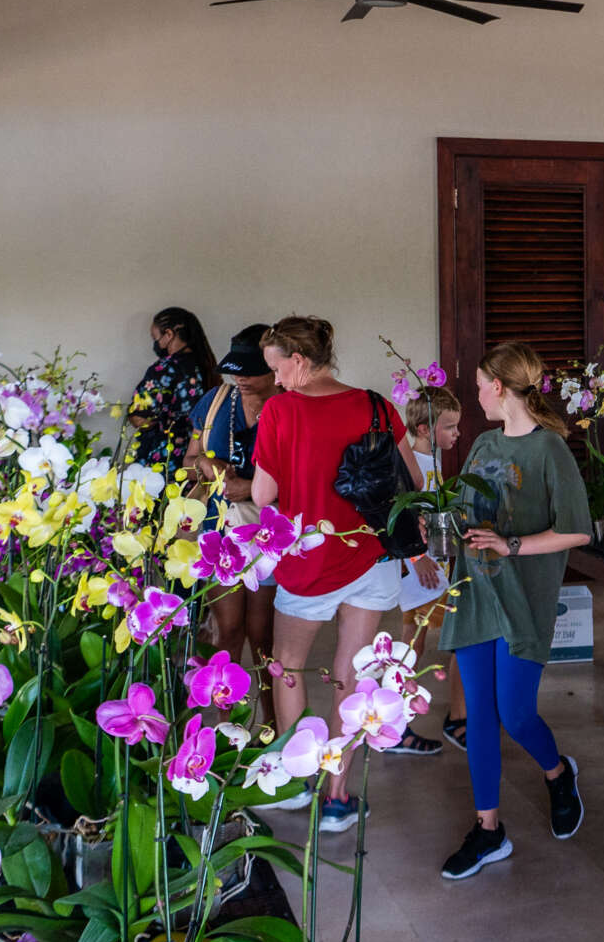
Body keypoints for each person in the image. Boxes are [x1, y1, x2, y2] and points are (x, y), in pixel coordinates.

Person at [250, 316, 419, 835]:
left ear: (298, 361)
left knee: (288, 668)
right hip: (372, 557)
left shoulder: (280, 411)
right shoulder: (376, 405)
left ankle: (298, 781)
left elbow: (262, 496)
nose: (275, 380)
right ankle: (338, 798)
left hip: (310, 559)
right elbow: (412, 479)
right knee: (351, 674)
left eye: (277, 368)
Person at [438, 343, 594, 880]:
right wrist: (438, 525)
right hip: (476, 594)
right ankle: (489, 831)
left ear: (500, 388)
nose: (477, 394)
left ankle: (557, 774)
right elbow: (466, 511)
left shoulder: (551, 451)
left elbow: (577, 529)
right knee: (479, 714)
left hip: (523, 601)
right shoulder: (482, 444)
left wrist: (512, 546)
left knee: (515, 712)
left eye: (481, 384)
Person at [383, 384, 468, 758]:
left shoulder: (431, 463)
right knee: (465, 636)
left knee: (410, 644)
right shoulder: (415, 467)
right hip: (422, 570)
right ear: (422, 429)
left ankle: (395, 725)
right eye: (449, 427)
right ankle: (459, 719)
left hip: (427, 568)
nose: (457, 434)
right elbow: (402, 517)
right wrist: (419, 559)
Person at [186, 324, 277, 669]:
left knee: (264, 636)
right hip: (219, 530)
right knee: (228, 631)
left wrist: (252, 488)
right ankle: (226, 719)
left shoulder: (290, 407)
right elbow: (189, 462)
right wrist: (210, 464)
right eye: (235, 370)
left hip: (270, 533)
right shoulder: (216, 401)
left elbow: (308, 475)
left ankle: (272, 717)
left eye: (251, 371)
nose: (241, 378)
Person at [130, 307, 220, 470]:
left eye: (155, 337)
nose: (156, 343)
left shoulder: (163, 370)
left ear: (169, 334)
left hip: (164, 457)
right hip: (198, 456)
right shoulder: (206, 367)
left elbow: (140, 418)